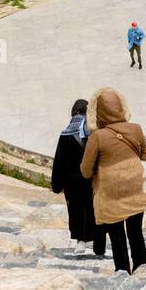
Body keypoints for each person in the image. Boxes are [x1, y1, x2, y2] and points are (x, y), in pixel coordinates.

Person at [80, 87, 146, 274]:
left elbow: (86, 171)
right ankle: (141, 268)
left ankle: (122, 272)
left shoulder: (97, 137)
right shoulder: (136, 129)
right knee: (136, 232)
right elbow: (145, 155)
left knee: (117, 236)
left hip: (111, 194)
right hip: (137, 187)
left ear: (98, 112)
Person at [50, 99, 104, 258]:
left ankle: (80, 240)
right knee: (91, 206)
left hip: (71, 182)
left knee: (75, 209)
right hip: (91, 179)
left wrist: (57, 185)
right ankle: (92, 238)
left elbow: (59, 160)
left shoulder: (65, 134)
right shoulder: (94, 132)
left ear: (73, 112)